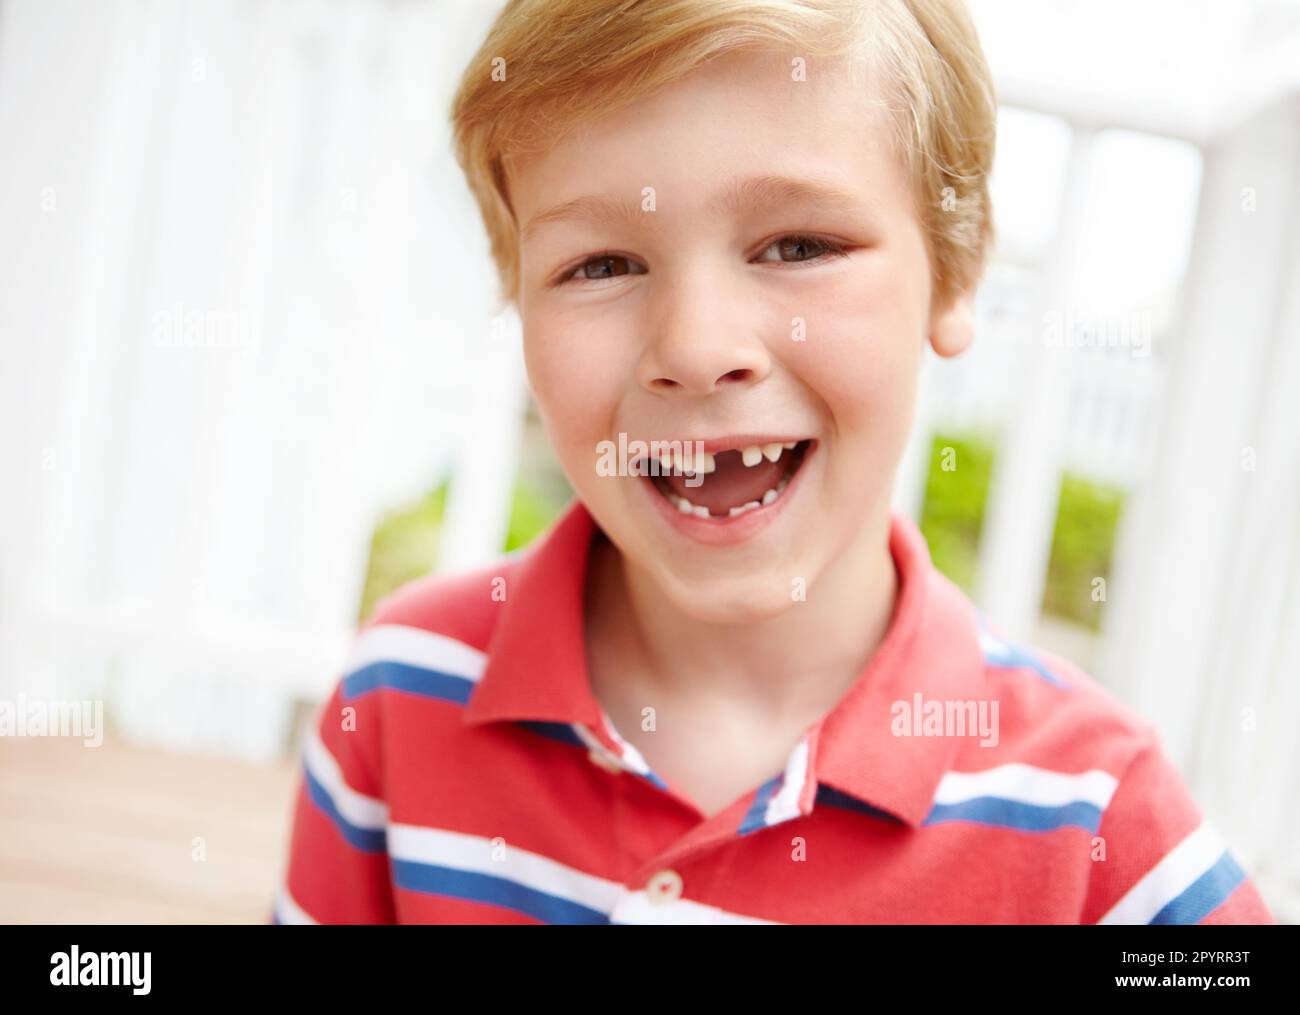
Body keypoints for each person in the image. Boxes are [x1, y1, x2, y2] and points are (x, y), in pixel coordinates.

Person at [274, 0, 1276, 924]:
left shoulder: (1098, 821)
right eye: (602, 264)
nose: (696, 346)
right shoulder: (403, 695)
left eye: (798, 246)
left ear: (956, 268)